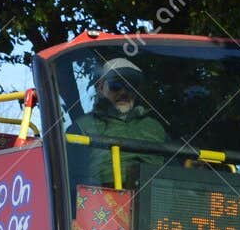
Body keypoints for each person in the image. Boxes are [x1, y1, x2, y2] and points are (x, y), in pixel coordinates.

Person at [72, 58, 169, 187]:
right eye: (116, 86)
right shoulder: (81, 127)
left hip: (155, 199)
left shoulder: (156, 128)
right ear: (101, 87)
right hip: (102, 199)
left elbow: (174, 171)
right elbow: (69, 178)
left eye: (130, 86)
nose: (123, 92)